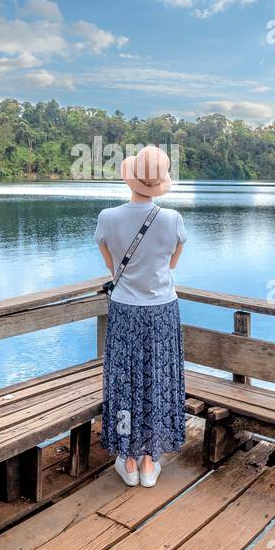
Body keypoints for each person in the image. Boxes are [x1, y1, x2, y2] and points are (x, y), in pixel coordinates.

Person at [93, 145, 187, 488]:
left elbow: (111, 265)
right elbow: (172, 264)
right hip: (162, 311)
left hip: (125, 311)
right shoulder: (172, 219)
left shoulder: (108, 218)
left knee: (124, 382)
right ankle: (150, 463)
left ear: (130, 179)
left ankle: (128, 460)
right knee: (157, 381)